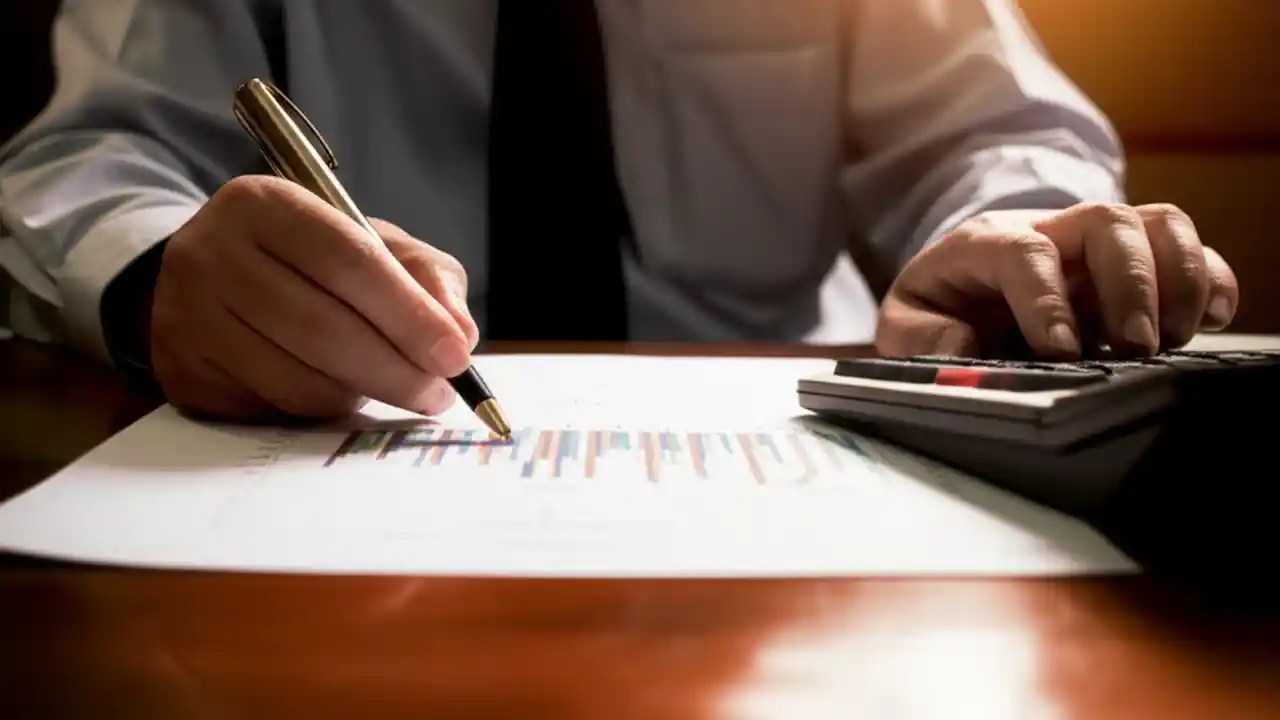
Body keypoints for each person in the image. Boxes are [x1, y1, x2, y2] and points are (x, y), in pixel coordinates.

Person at [0, 0, 1238, 422]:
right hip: (352, 442)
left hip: (802, 468)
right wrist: (158, 277)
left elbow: (1002, 130)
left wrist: (1027, 237)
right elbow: (98, 150)